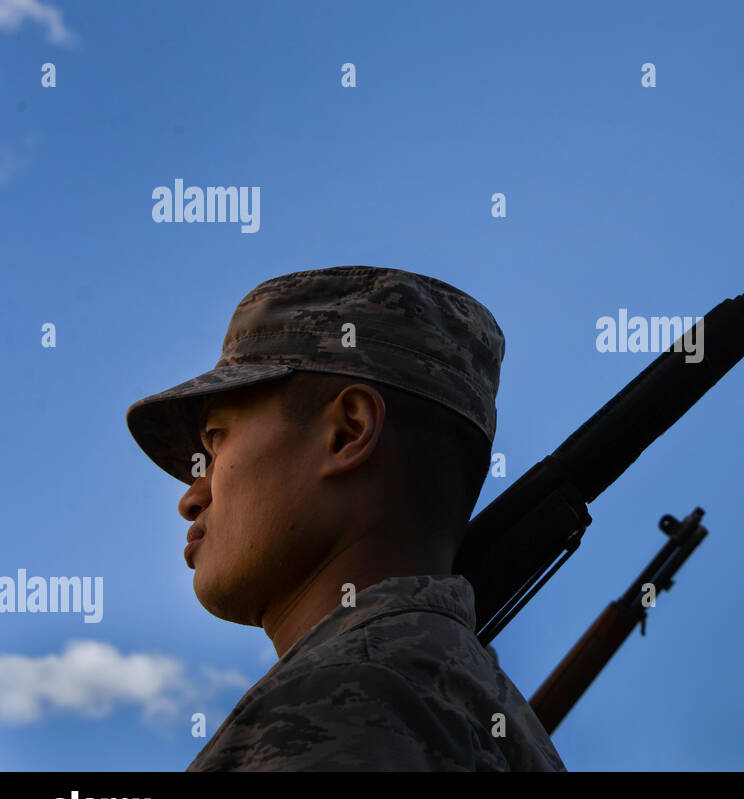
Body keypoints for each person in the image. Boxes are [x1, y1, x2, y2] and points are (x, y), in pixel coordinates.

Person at [125, 265, 566, 771]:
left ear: (347, 433)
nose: (192, 497)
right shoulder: (475, 705)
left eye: (217, 439)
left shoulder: (337, 703)